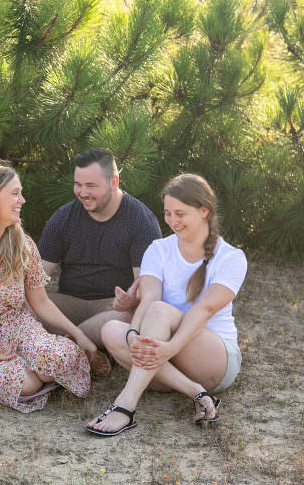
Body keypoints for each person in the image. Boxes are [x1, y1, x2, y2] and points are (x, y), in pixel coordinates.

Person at [0, 162, 108, 413]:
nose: (22, 200)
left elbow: (41, 302)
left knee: (61, 358)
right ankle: (35, 373)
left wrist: (79, 335)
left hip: (18, 327)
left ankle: (42, 365)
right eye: (15, 193)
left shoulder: (23, 244)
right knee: (26, 384)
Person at [85, 173, 247, 436]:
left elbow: (204, 309)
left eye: (180, 213)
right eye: (168, 213)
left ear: (204, 211)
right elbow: (148, 299)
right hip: (163, 354)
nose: (172, 221)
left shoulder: (231, 257)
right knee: (113, 330)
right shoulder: (158, 249)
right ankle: (195, 392)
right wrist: (133, 334)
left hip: (213, 359)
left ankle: (125, 406)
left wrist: (169, 347)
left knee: (159, 312)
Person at [38, 148, 161, 349]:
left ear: (114, 182)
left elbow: (146, 288)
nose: (83, 193)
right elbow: (38, 275)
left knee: (127, 318)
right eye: (78, 185)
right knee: (26, 306)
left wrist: (131, 299)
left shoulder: (141, 220)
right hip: (69, 303)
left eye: (91, 186)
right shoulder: (63, 217)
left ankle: (66, 349)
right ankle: (79, 349)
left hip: (113, 307)